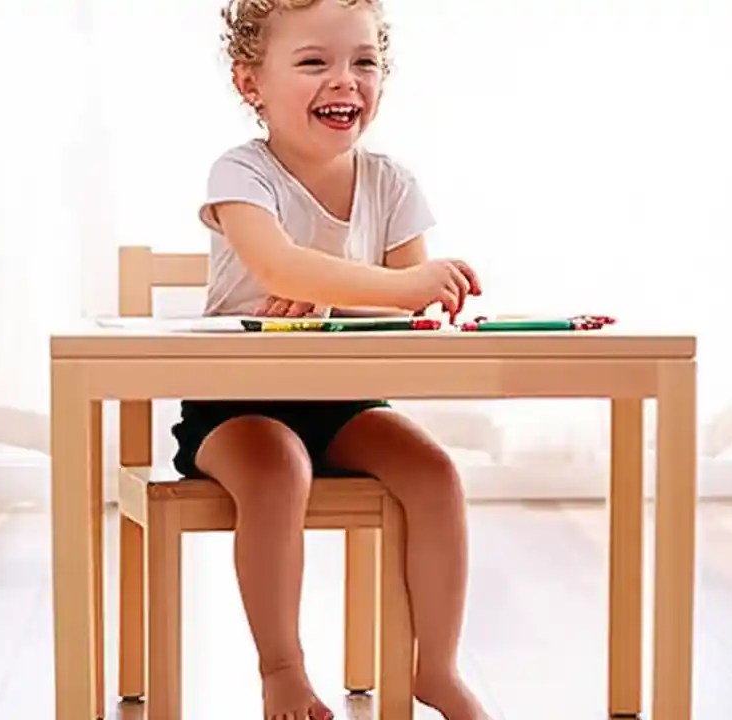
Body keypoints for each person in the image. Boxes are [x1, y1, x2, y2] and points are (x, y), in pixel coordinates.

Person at [170, 2, 491, 718]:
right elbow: (279, 266)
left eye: (364, 62)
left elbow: (410, 313)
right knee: (278, 468)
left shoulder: (392, 183)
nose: (345, 80)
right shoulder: (240, 173)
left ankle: (437, 669)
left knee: (435, 473)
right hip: (235, 406)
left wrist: (370, 294)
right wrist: (393, 286)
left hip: (344, 401)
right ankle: (282, 667)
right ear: (251, 82)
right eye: (315, 62)